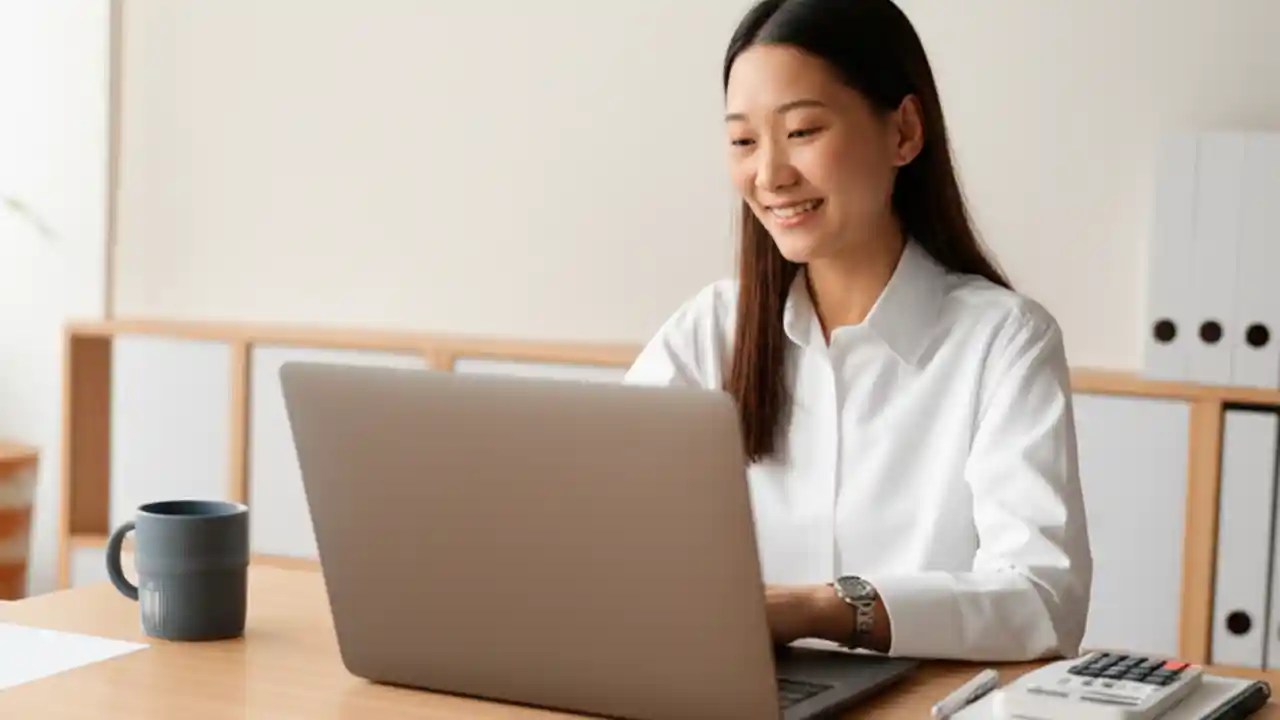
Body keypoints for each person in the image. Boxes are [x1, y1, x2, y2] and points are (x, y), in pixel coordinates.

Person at [624, 0, 1092, 663]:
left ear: (903, 131)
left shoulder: (1004, 341)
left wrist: (820, 608)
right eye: (742, 141)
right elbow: (601, 529)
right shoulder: (711, 331)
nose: (769, 175)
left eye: (803, 131)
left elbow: (1043, 600)